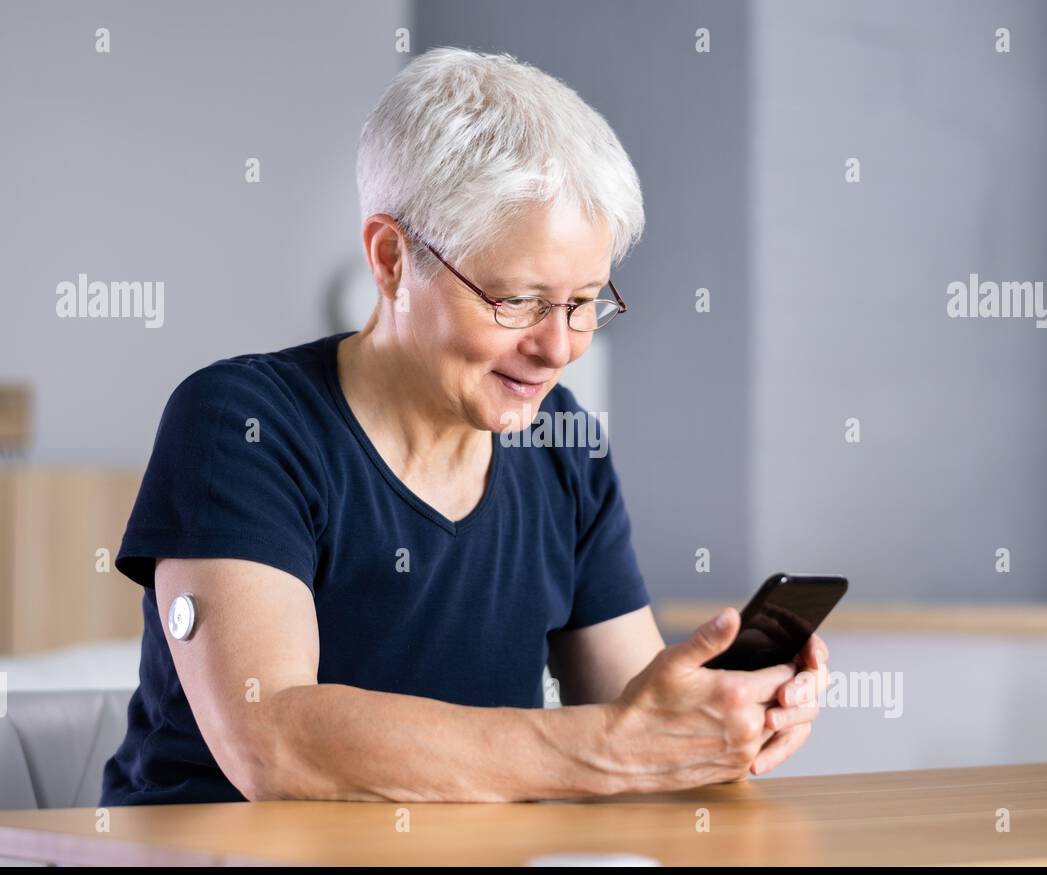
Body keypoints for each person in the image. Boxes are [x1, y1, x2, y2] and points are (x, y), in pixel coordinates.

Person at [100, 47, 827, 805]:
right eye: (515, 301)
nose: (558, 348)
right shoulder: (240, 424)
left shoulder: (561, 445)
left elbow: (630, 718)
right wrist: (615, 747)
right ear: (391, 260)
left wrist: (716, 726)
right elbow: (275, 745)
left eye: (584, 303)